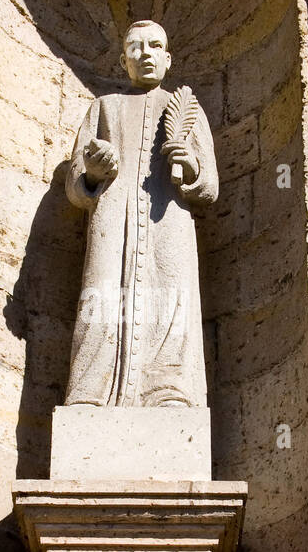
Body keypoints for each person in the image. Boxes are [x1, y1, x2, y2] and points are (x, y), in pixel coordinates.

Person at [64, 20, 218, 408]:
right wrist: (93, 175)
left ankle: (169, 393)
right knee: (99, 299)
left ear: (167, 58)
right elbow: (75, 183)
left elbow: (210, 186)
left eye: (154, 46)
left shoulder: (187, 109)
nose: (145, 53)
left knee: (171, 306)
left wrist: (191, 167)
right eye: (135, 47)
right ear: (123, 60)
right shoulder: (103, 108)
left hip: (169, 224)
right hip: (111, 223)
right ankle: (89, 393)